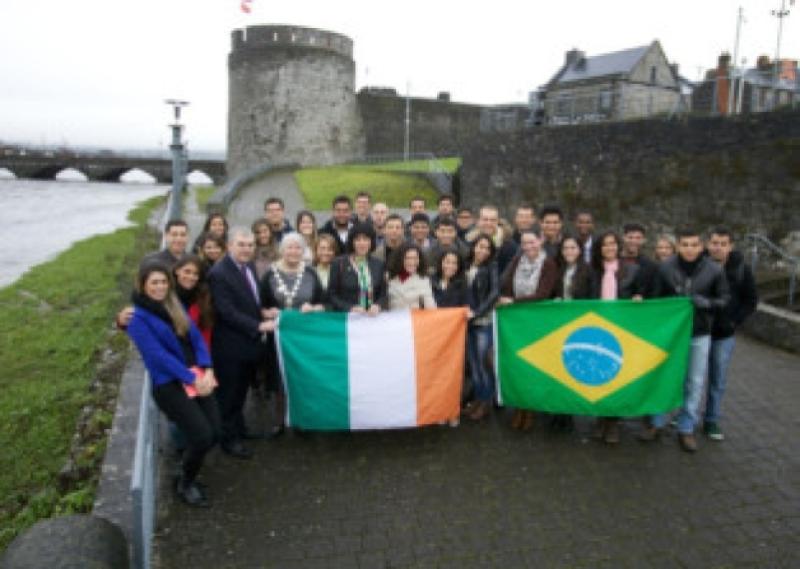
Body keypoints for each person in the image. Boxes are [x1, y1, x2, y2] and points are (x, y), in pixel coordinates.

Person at [126, 263, 220, 507]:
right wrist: (193, 379)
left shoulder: (174, 305)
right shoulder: (137, 319)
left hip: (197, 375)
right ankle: (185, 483)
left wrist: (208, 368)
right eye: (154, 283)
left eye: (163, 282)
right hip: (170, 385)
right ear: (143, 285)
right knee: (201, 435)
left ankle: (187, 467)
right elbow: (158, 356)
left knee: (215, 430)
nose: (160, 287)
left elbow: (196, 338)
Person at [639, 228, 729, 453]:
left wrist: (706, 303)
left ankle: (686, 427)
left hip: (699, 333)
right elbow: (655, 300)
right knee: (664, 377)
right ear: (678, 246)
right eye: (685, 245)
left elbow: (724, 299)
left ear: (702, 246)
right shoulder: (665, 268)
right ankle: (657, 422)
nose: (689, 249)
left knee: (694, 382)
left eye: (694, 245)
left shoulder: (714, 270)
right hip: (671, 334)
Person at [207, 228, 275, 459]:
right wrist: (258, 325)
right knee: (229, 396)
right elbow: (226, 312)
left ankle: (240, 429)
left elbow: (250, 300)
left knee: (240, 392)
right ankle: (229, 441)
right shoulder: (219, 273)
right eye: (241, 244)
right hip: (230, 347)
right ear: (229, 246)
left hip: (247, 344)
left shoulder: (248, 266)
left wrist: (262, 312)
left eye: (250, 245)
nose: (246, 249)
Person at [260, 233, 326, 435]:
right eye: (289, 247)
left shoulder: (311, 273)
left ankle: (303, 418)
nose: (293, 251)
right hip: (279, 336)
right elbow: (261, 306)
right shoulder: (269, 274)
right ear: (282, 250)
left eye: (298, 247)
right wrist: (267, 312)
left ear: (303, 251)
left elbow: (323, 304)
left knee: (302, 376)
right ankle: (280, 419)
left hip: (304, 336)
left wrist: (313, 308)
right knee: (280, 376)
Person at [498, 230, 559, 431]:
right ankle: (519, 407)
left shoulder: (548, 264)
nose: (528, 247)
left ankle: (530, 408)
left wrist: (513, 301)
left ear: (540, 241)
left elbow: (543, 294)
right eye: (524, 243)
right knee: (518, 364)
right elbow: (507, 284)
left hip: (537, 322)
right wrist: (504, 298)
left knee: (533, 365)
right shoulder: (518, 261)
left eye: (532, 242)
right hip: (518, 321)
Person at [589, 230, 644, 445]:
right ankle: (600, 418)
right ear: (599, 249)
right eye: (605, 244)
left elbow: (641, 292)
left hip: (622, 331)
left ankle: (613, 422)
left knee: (617, 377)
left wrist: (639, 297)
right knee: (599, 376)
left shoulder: (632, 270)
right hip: (597, 330)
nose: (609, 248)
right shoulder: (592, 271)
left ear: (618, 246)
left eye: (612, 244)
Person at [703, 226, 757, 441]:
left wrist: (734, 321)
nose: (718, 247)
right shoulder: (699, 265)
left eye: (723, 244)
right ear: (708, 244)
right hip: (699, 331)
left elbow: (751, 300)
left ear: (730, 246)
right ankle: (686, 414)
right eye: (714, 243)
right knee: (692, 378)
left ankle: (711, 419)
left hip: (723, 335)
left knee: (717, 380)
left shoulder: (741, 269)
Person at [550, 235, 596, 432]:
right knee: (558, 369)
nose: (569, 251)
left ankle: (569, 413)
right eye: (565, 248)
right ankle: (558, 411)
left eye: (573, 248)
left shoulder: (588, 271)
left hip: (579, 326)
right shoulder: (558, 269)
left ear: (580, 250)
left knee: (573, 370)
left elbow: (593, 299)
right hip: (560, 325)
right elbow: (553, 293)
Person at [463, 234, 500, 421]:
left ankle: (486, 403)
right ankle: (478, 399)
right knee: (474, 366)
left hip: (483, 322)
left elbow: (495, 293)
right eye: (480, 246)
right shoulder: (466, 265)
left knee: (483, 366)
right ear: (473, 247)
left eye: (487, 248)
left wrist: (478, 312)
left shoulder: (491, 267)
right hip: (467, 323)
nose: (483, 251)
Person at [328, 223, 386, 314]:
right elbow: (332, 295)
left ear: (371, 242)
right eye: (358, 239)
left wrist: (378, 305)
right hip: (347, 317)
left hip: (372, 317)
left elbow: (383, 294)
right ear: (352, 242)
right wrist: (350, 308)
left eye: (366, 239)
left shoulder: (379, 264)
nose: (362, 243)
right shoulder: (339, 263)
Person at [173, 255, 214, 349]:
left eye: (195, 274)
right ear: (177, 271)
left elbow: (206, 333)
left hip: (197, 352)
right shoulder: (167, 296)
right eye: (187, 272)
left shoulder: (202, 299)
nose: (191, 277)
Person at [465, 205, 518, 274]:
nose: (488, 223)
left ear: (497, 221)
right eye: (485, 219)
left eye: (492, 220)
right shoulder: (468, 241)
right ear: (478, 221)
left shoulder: (509, 246)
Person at [387, 242, 436, 310]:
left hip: (412, 316)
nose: (412, 262)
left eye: (415, 258)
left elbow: (431, 307)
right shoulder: (389, 277)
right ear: (400, 259)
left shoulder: (423, 280)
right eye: (408, 258)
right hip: (392, 316)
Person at [622, 222, 658, 297]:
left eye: (638, 238)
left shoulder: (650, 266)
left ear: (644, 240)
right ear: (624, 238)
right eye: (630, 237)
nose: (634, 241)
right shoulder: (612, 261)